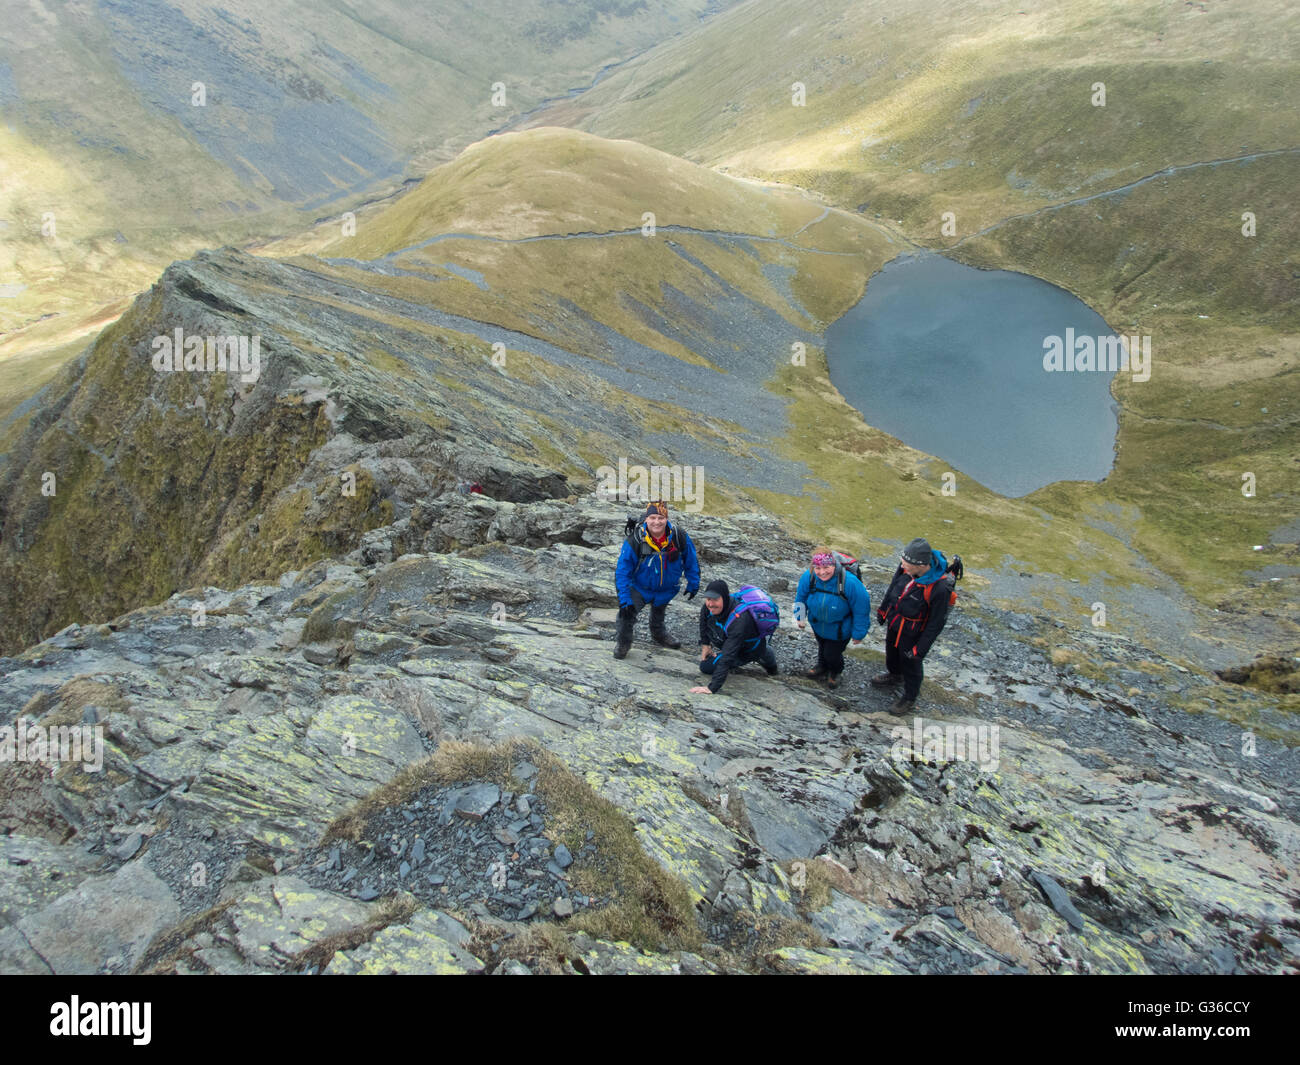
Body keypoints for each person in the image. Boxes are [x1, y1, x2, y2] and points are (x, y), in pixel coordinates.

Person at [872, 538, 955, 713]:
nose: (902, 564)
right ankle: (894, 675)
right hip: (895, 622)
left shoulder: (939, 588)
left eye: (907, 562)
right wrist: (883, 610)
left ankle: (909, 697)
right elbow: (893, 585)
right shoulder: (905, 568)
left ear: (922, 565)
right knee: (892, 654)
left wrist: (920, 650)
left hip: (913, 632)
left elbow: (936, 623)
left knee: (911, 663)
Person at [613, 501, 700, 659]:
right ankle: (623, 643)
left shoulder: (679, 536)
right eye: (652, 517)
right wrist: (625, 599)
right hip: (640, 588)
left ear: (666, 519)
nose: (656, 522)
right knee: (626, 615)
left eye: (661, 518)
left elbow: (691, 560)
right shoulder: (636, 540)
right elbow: (622, 571)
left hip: (667, 588)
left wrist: (693, 583)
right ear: (646, 519)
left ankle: (658, 634)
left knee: (659, 612)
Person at [794, 547, 870, 688]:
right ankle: (822, 666)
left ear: (834, 565)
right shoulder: (809, 577)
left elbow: (862, 609)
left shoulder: (850, 582)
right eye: (818, 568)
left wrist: (859, 633)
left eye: (826, 567)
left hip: (840, 629)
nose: (822, 572)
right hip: (818, 624)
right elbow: (801, 597)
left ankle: (835, 671)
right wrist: (800, 617)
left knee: (832, 653)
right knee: (822, 646)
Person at [690, 580, 779, 694]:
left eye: (715, 599)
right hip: (733, 640)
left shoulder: (739, 619)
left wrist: (712, 687)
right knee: (740, 645)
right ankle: (765, 651)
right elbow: (703, 621)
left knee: (705, 667)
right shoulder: (709, 606)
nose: (710, 604)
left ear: (724, 598)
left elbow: (728, 655)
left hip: (747, 650)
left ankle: (767, 659)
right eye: (708, 599)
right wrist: (705, 645)